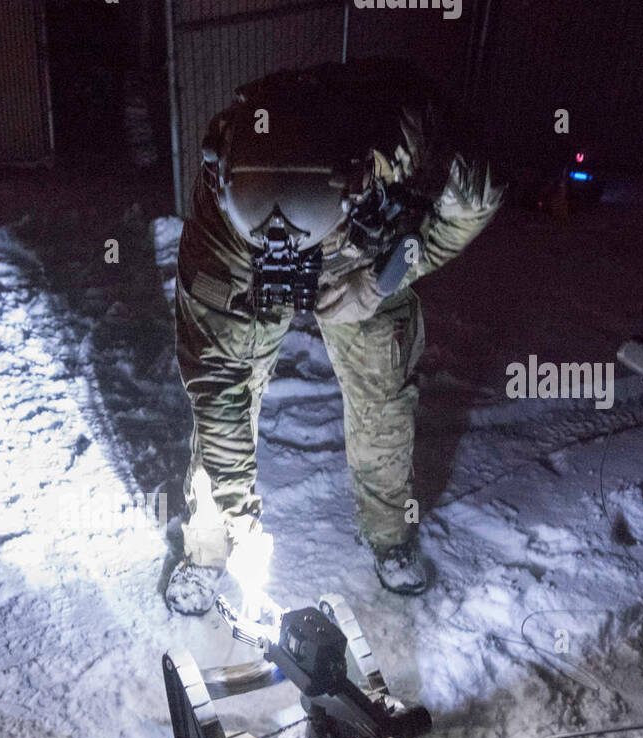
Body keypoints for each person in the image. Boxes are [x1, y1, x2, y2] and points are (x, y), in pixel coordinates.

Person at [166, 58, 504, 614]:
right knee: (227, 401)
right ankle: (209, 546)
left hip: (364, 259)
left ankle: (391, 536)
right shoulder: (220, 217)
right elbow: (216, 381)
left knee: (382, 398)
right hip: (249, 274)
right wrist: (236, 509)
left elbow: (476, 204)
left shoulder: (415, 153)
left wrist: (383, 280)